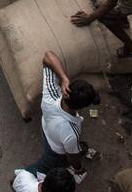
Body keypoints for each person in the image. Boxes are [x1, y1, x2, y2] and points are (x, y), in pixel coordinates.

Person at [31, 51, 100, 180]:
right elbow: (71, 156)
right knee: (46, 166)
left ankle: (79, 148)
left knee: (72, 146)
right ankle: (22, 176)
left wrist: (63, 77)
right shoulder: (71, 132)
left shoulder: (50, 95)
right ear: (80, 107)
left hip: (46, 128)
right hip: (55, 151)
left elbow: (47, 56)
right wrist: (78, 168)